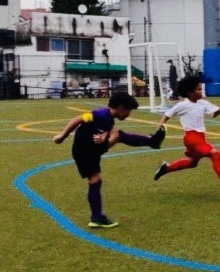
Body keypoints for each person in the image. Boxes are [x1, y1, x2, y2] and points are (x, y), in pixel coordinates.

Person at [53, 92, 165, 228]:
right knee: (95, 180)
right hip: (85, 151)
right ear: (121, 108)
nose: (129, 114)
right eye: (129, 111)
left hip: (90, 148)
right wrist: (62, 136)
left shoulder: (108, 119)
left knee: (118, 136)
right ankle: (96, 217)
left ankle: (152, 142)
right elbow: (78, 119)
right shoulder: (100, 114)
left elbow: (104, 130)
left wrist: (103, 137)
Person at [153, 75, 220, 192]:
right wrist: (159, 129)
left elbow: (214, 114)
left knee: (192, 163)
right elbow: (167, 115)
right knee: (216, 154)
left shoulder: (203, 103)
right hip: (192, 137)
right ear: (190, 93)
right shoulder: (182, 105)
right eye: (198, 89)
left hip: (200, 138)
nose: (201, 91)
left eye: (201, 88)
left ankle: (166, 169)